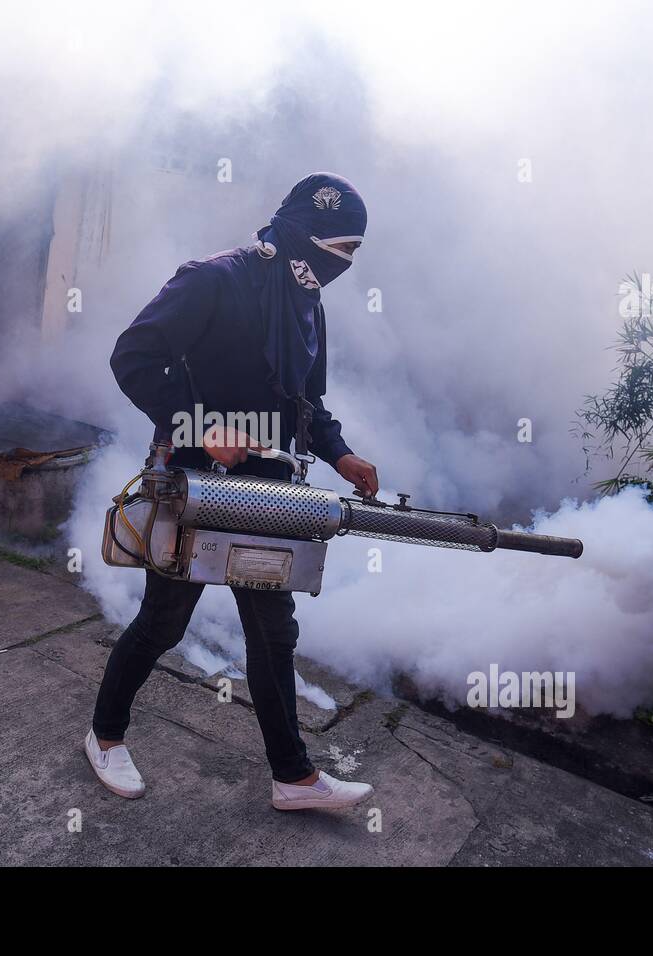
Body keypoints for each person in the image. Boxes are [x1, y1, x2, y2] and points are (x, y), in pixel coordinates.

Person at [85, 172, 379, 810]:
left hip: (270, 492)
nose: (345, 265)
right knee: (164, 622)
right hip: (193, 481)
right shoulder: (214, 278)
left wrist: (341, 453)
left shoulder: (308, 303)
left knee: (273, 631)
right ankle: (105, 736)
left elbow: (307, 403)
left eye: (354, 254)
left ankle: (293, 777)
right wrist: (200, 422)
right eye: (340, 250)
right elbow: (131, 357)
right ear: (304, 234)